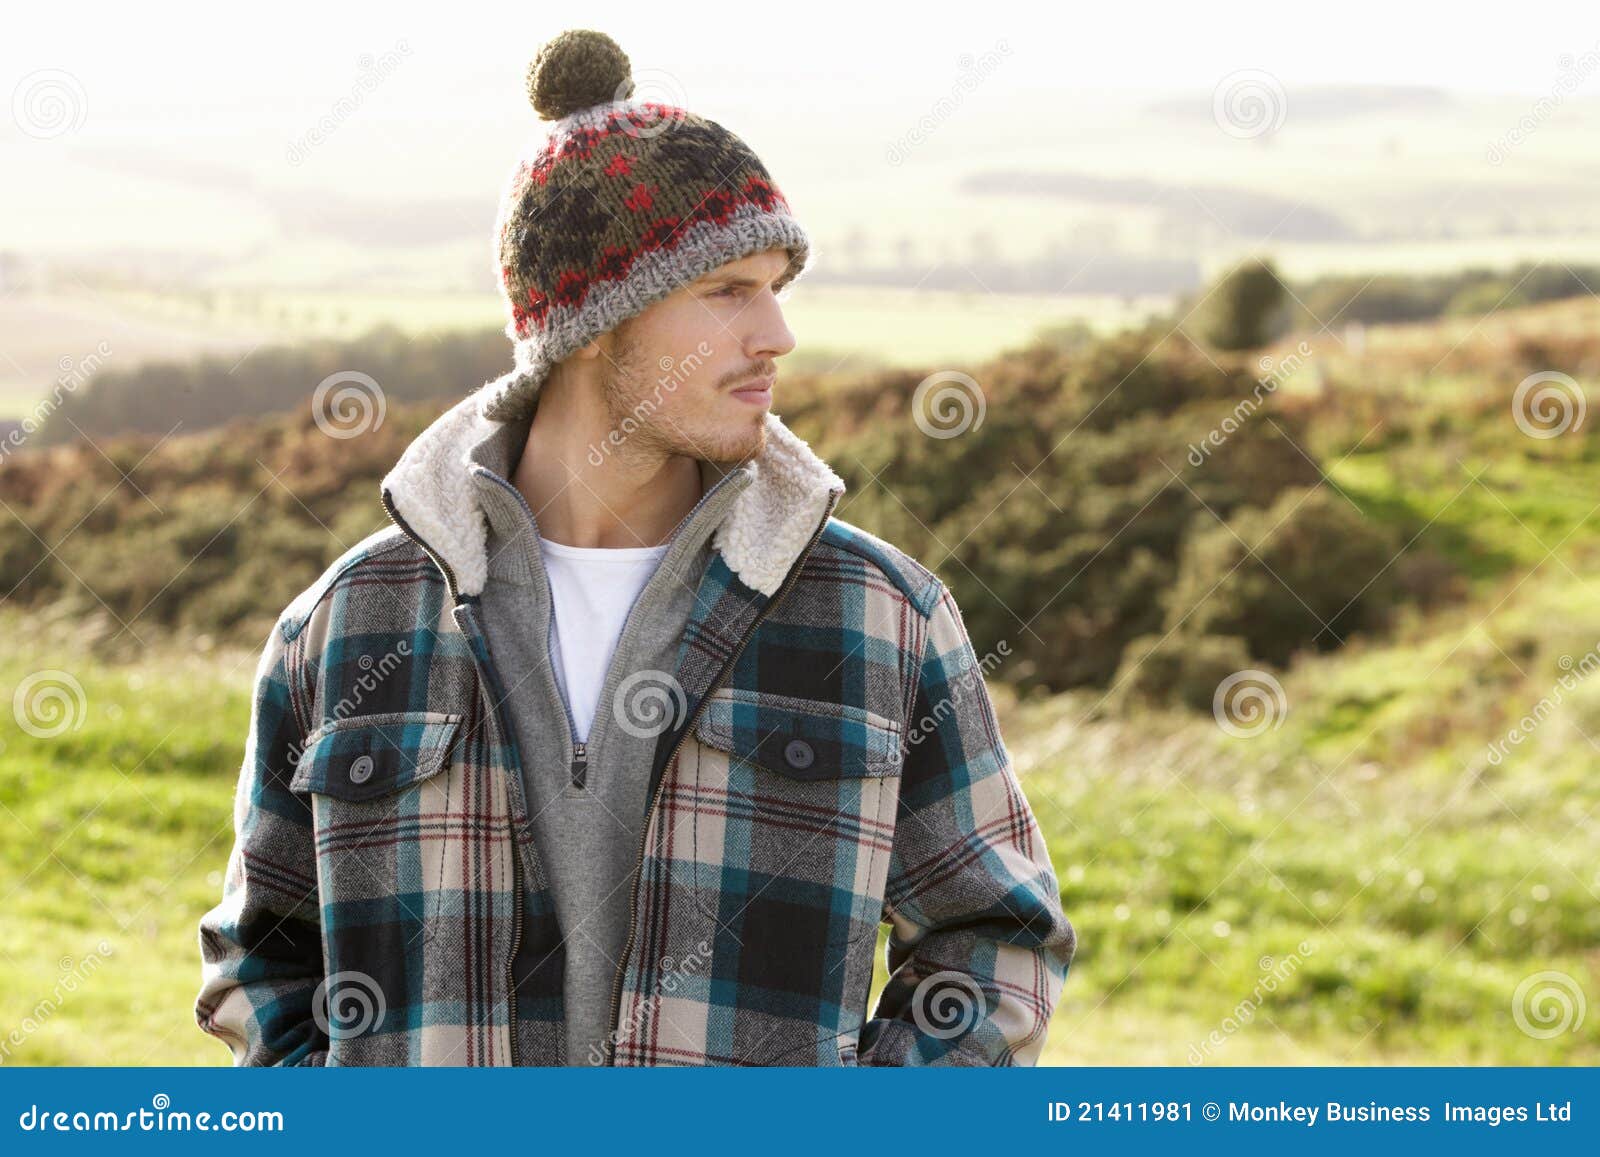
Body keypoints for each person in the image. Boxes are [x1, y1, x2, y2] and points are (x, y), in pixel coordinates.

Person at [195, 28, 1074, 1067]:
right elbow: (263, 959)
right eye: (727, 290)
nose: (776, 335)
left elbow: (996, 940)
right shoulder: (347, 625)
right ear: (596, 324)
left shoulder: (880, 617)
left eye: (776, 286)